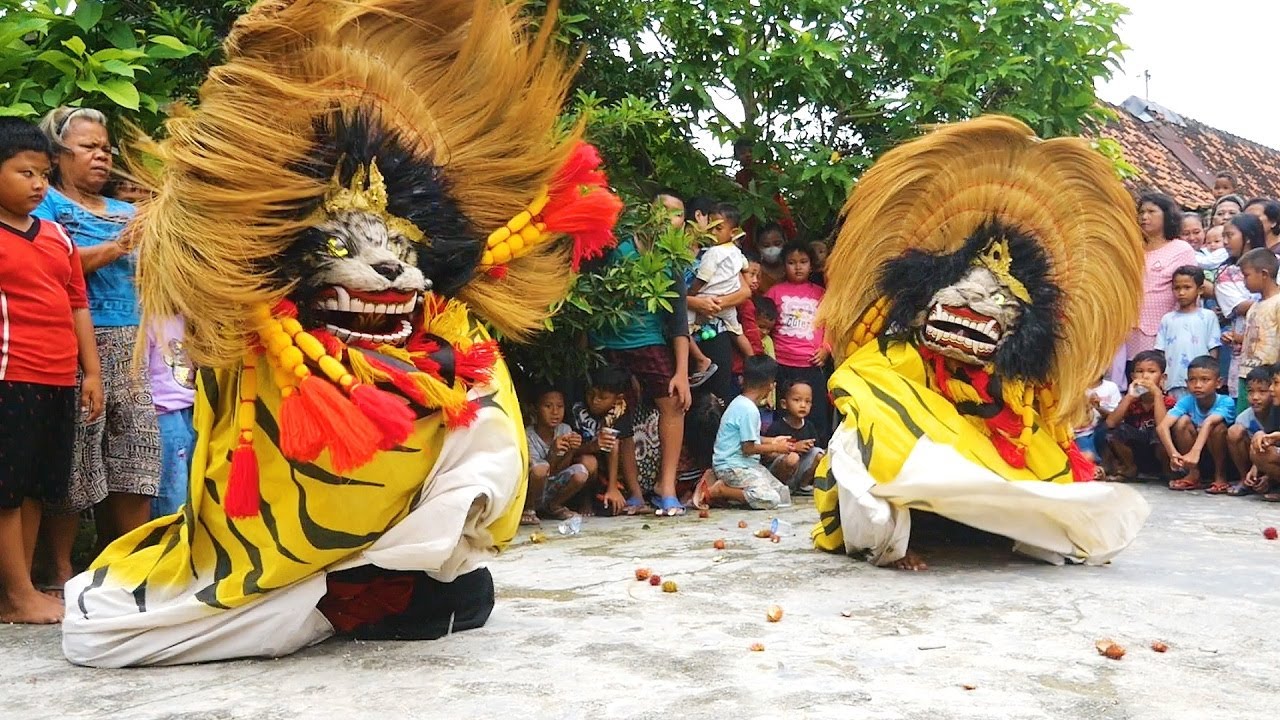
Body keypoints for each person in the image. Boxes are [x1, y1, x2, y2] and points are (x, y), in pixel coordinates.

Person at [34, 106, 161, 592]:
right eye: (88, 147)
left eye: (105, 148)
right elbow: (54, 267)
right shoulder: (46, 204)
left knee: (136, 451)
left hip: (134, 343)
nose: (101, 156)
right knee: (77, 454)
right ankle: (59, 570)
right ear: (58, 154)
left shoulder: (129, 211)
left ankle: (128, 565)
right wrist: (119, 247)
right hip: (74, 342)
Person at [0, 118, 103, 624]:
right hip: (8, 376)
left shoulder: (57, 236)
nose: (39, 184)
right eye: (25, 173)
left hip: (58, 378)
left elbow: (77, 304)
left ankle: (22, 591)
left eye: (43, 173)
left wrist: (93, 373)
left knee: (39, 486)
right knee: (5, 491)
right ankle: (16, 597)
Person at [591, 192, 693, 518]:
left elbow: (679, 323)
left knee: (674, 403)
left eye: (676, 214)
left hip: (648, 342)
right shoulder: (619, 248)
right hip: (608, 342)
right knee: (619, 414)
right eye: (662, 210)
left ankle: (667, 488)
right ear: (648, 214)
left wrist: (681, 373)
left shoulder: (672, 261)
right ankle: (633, 492)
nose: (668, 218)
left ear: (682, 224)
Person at [695, 355, 793, 510]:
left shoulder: (742, 403)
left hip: (746, 465)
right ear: (770, 385)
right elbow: (748, 448)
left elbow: (749, 437)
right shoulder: (748, 409)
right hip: (733, 466)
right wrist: (777, 448)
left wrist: (773, 441)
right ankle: (720, 490)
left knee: (782, 496)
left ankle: (732, 495)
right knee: (771, 499)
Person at [764, 241, 830, 442]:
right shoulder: (775, 292)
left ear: (812, 265)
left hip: (810, 365)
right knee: (781, 416)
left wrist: (826, 348)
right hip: (782, 365)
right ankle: (781, 458)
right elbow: (764, 324)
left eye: (803, 262)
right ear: (784, 265)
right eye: (792, 262)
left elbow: (832, 326)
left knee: (817, 416)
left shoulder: (821, 294)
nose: (798, 267)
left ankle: (818, 459)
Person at [1123, 193, 1197, 361]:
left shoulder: (1180, 249)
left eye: (1151, 212)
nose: (1144, 217)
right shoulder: (1132, 248)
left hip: (1163, 330)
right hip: (1128, 328)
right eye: (1141, 212)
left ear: (1167, 215)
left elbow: (1189, 287)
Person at [687, 202, 749, 383]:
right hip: (709, 313)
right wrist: (694, 302)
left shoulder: (712, 252)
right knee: (737, 331)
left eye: (717, 227)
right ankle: (752, 359)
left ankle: (702, 360)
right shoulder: (734, 251)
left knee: (684, 329)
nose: (712, 231)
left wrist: (711, 303)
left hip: (715, 326)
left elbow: (745, 292)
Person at [569, 365, 644, 516]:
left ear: (618, 398)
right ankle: (585, 501)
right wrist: (593, 446)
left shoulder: (619, 410)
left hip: (605, 471)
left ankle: (623, 492)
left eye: (603, 398)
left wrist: (613, 488)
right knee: (588, 462)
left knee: (611, 507)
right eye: (592, 394)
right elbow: (570, 450)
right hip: (578, 463)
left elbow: (617, 446)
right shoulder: (576, 408)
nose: (595, 401)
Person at [1157, 355, 1235, 492]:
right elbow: (1162, 426)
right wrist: (1173, 454)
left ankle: (1220, 476)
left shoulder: (1225, 401)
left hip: (1220, 455)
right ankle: (1193, 474)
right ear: (1187, 383)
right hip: (1190, 458)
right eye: (1193, 380)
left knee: (1217, 427)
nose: (1198, 385)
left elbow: (1209, 422)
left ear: (1218, 382)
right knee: (1182, 422)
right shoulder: (1186, 401)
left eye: (1205, 380)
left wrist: (1195, 452)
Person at [147, 317, 197, 519]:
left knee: (191, 487)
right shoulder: (147, 319)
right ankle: (166, 542)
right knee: (172, 494)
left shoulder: (186, 317)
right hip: (164, 414)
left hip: (191, 409)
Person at [1214, 214, 1267, 398]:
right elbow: (1238, 306)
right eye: (1223, 237)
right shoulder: (1225, 273)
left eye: (1230, 235)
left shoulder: (1274, 261)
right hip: (1243, 350)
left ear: (1249, 236)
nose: (1225, 242)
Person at [1103, 350, 1176, 481]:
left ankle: (1168, 470)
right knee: (1114, 432)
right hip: (1138, 452)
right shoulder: (1131, 401)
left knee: (1159, 433)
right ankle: (1130, 468)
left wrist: (1157, 394)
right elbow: (1110, 423)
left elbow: (1162, 426)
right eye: (1140, 371)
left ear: (1163, 378)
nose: (1145, 376)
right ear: (1132, 376)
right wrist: (1130, 396)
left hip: (1159, 452)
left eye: (1151, 372)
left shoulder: (1168, 401)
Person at [523, 389, 588, 524]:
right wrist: (552, 452)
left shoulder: (565, 430)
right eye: (548, 406)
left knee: (581, 472)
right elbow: (541, 473)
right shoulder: (528, 436)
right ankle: (529, 509)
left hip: (553, 487)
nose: (555, 412)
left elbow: (560, 469)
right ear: (535, 409)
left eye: (560, 406)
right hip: (533, 489)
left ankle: (554, 505)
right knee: (541, 468)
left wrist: (571, 450)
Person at [1155, 265, 1220, 400]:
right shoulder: (1167, 319)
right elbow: (1160, 351)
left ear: (1200, 289)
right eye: (1177, 288)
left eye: (1187, 287)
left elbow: (1213, 350)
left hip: (1200, 382)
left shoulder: (1208, 316)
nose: (1181, 292)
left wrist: (1210, 377)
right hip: (1173, 380)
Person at [1235, 247, 1280, 410]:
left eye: (1246, 275)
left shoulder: (1277, 303)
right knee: (1243, 425)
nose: (1244, 281)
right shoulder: (1254, 306)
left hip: (1268, 379)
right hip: (1246, 375)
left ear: (1264, 274)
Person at [763, 380, 824, 494]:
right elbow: (766, 456)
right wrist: (793, 448)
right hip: (778, 471)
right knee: (792, 458)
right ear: (784, 404)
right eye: (797, 400)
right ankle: (781, 488)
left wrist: (808, 447)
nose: (803, 405)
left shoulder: (809, 426)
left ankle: (803, 486)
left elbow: (816, 451)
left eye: (807, 401)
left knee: (820, 455)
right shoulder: (777, 426)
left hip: (799, 470)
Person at [1226, 366, 1272, 496]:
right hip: (1253, 461)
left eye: (1262, 392)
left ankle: (1272, 482)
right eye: (1250, 392)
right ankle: (1244, 479)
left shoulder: (1276, 414)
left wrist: (1269, 475)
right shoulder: (1245, 417)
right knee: (1234, 431)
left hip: (1272, 461)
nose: (1255, 397)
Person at [1244, 364, 1280, 502]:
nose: (1271, 389)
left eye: (1276, 383)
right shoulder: (1276, 409)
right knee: (1259, 451)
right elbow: (1269, 435)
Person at [1074, 376, 1122, 474]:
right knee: (1088, 457)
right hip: (1081, 433)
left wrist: (1098, 407)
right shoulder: (1074, 387)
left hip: (1101, 431)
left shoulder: (1111, 387)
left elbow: (1114, 418)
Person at [754, 221, 787, 294]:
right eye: (766, 245)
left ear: (785, 242)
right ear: (758, 247)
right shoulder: (755, 272)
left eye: (777, 244)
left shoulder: (791, 269)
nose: (772, 249)